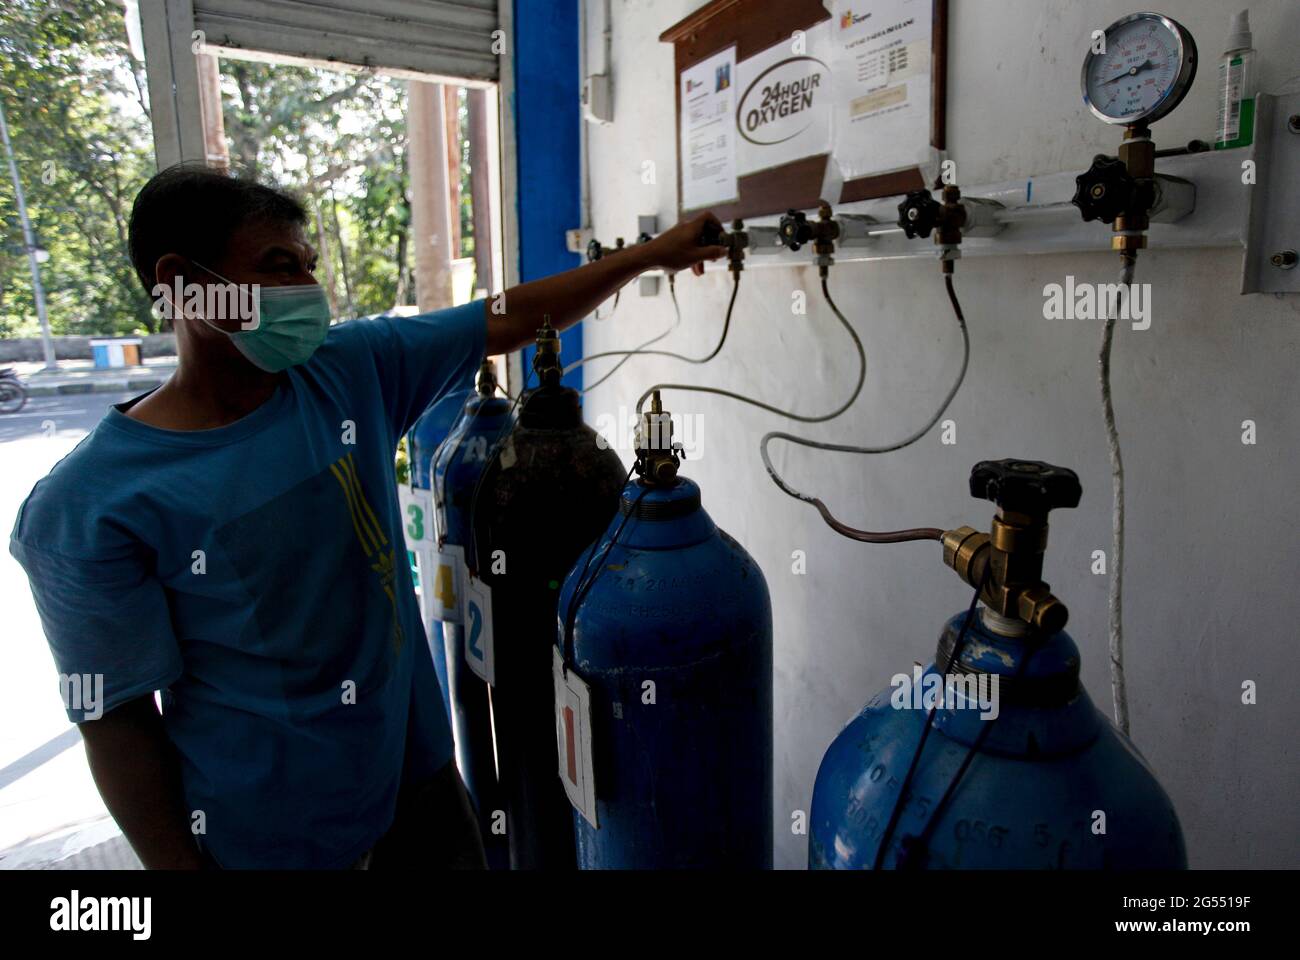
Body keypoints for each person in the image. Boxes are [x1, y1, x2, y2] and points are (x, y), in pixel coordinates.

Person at [9, 164, 725, 869]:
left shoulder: (347, 371)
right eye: (278, 265)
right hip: (274, 839)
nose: (307, 291)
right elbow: (119, 723)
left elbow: (509, 315)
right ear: (182, 283)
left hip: (420, 788)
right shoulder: (88, 509)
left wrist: (651, 254)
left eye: (309, 266)